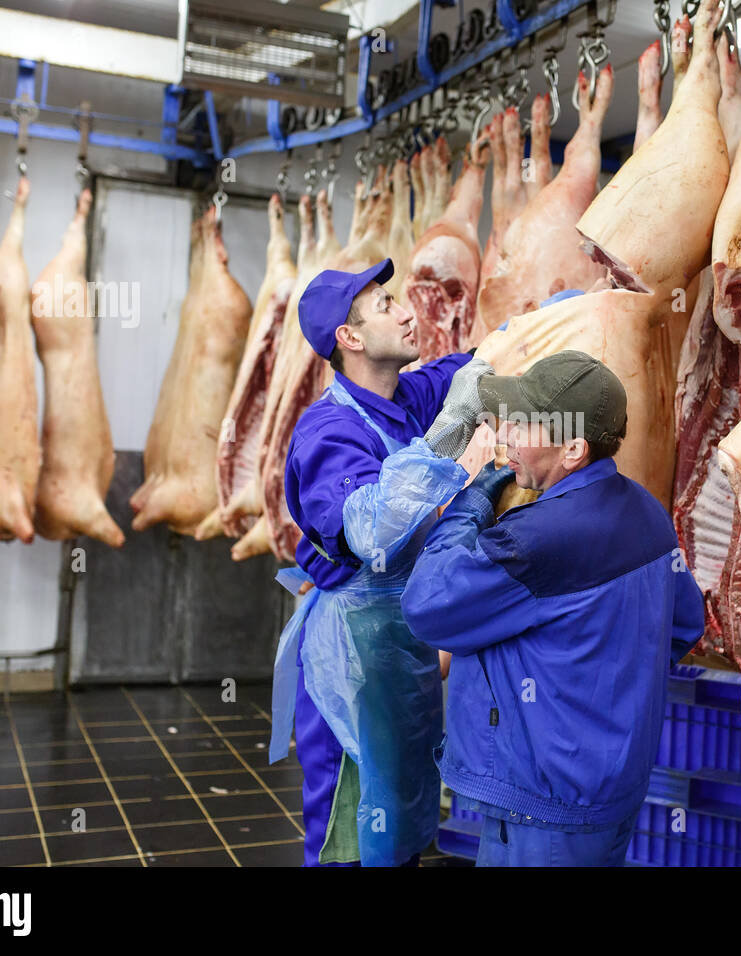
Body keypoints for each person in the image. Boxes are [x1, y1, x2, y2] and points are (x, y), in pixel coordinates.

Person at [401, 350, 706, 866]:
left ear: (573, 449)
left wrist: (470, 506)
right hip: (613, 791)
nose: (507, 435)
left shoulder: (538, 539)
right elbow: (683, 625)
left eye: (524, 425)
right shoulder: (647, 514)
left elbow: (427, 605)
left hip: (542, 806)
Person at [265, 257, 486, 867]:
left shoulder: (406, 397)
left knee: (406, 826)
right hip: (351, 665)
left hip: (402, 654)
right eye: (387, 305)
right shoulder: (328, 433)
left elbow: (475, 365)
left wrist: (551, 317)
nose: (408, 310)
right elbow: (371, 529)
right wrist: (453, 430)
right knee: (354, 839)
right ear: (350, 338)